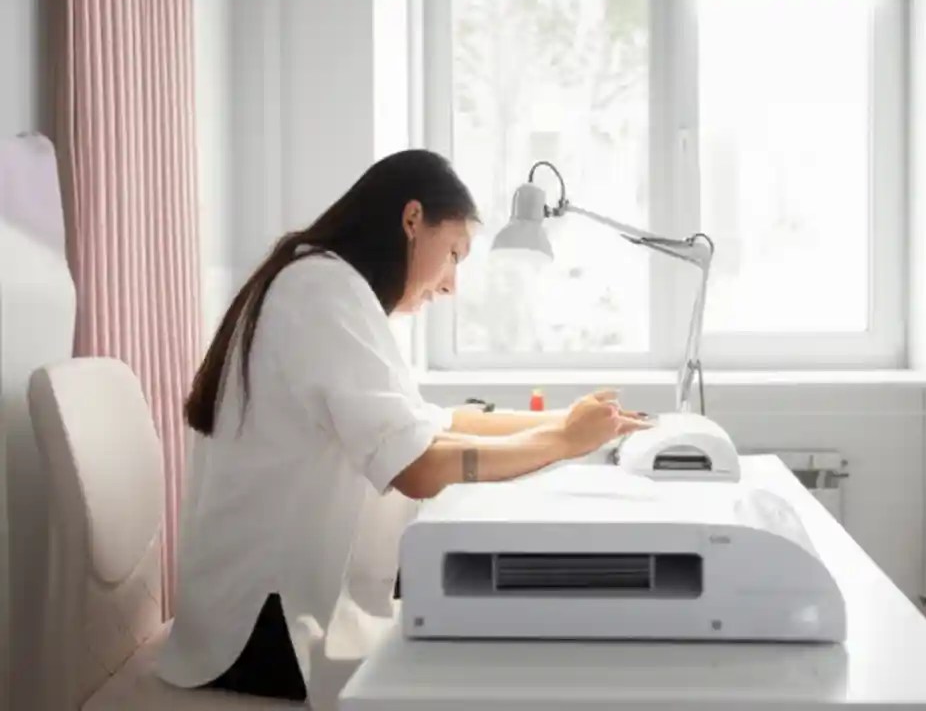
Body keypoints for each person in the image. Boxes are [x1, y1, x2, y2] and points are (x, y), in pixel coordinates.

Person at [156, 149, 650, 702]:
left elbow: (431, 424)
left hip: (255, 607)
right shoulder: (321, 291)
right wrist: (560, 442)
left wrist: (567, 420)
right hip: (263, 628)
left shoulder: (324, 281)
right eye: (454, 255)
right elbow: (418, 467)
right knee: (498, 641)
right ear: (412, 220)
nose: (451, 286)